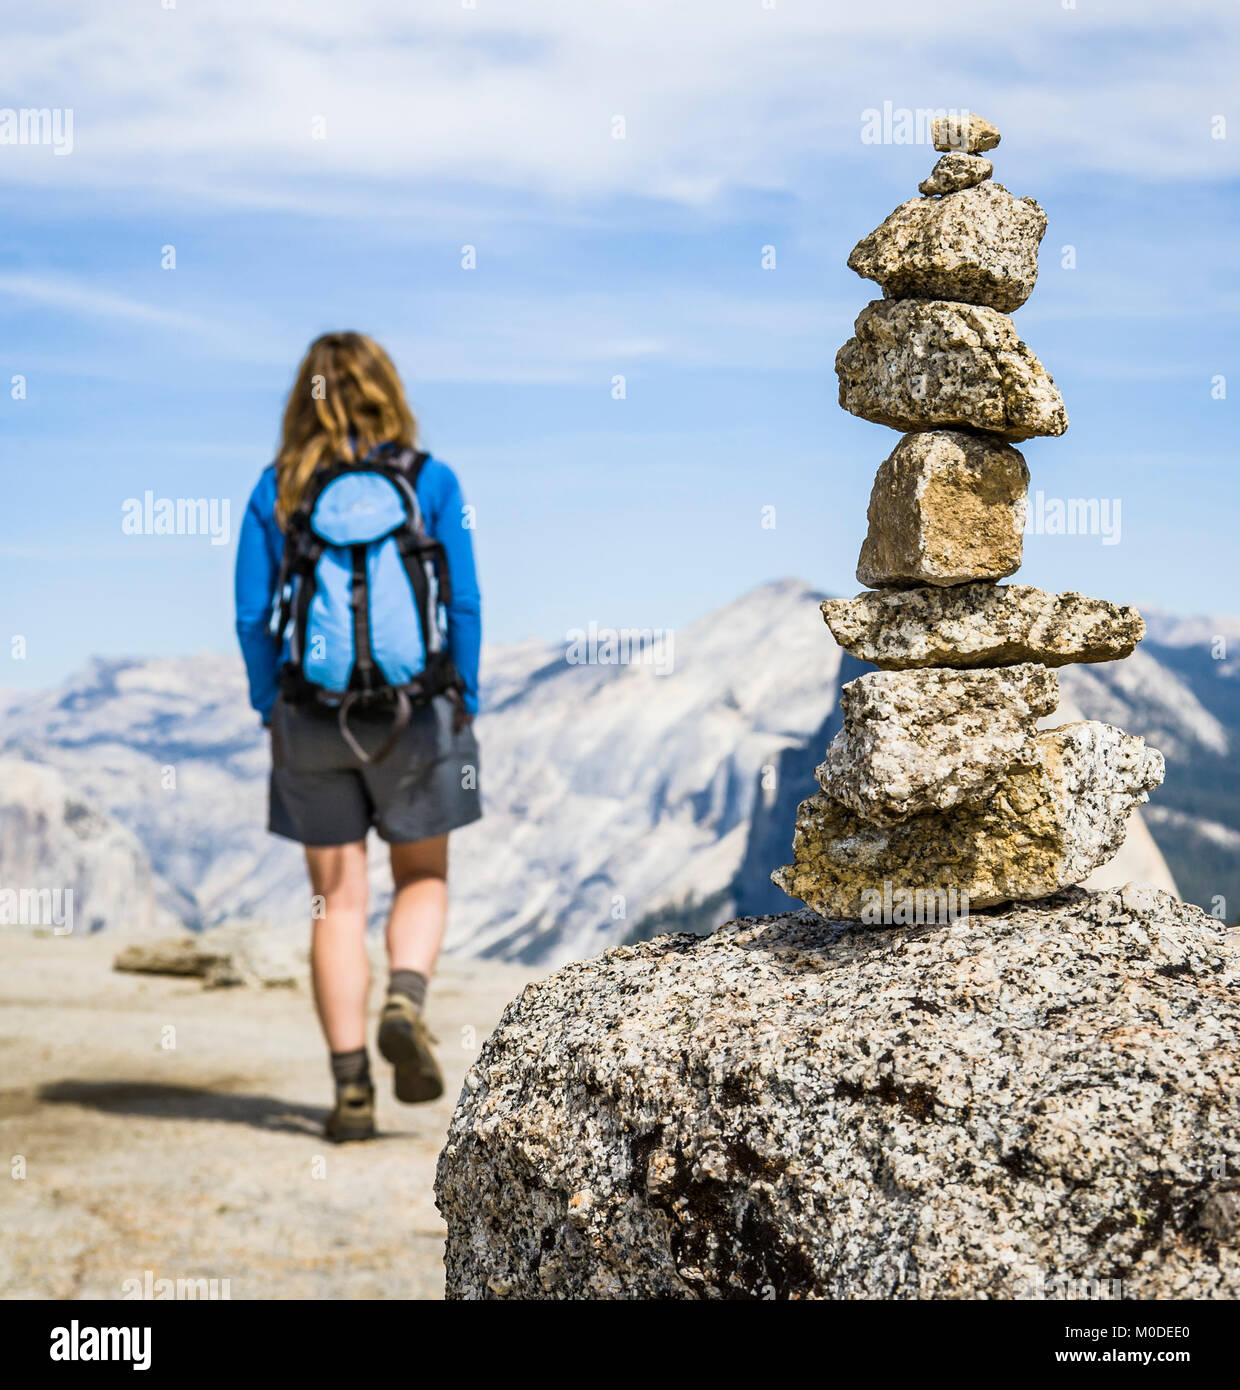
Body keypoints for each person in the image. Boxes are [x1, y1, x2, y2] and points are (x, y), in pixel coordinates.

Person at [234, 331, 481, 1142]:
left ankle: (349, 1098)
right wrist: (463, 694)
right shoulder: (430, 480)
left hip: (310, 715)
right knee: (422, 876)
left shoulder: (280, 488)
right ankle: (405, 997)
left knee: (335, 901)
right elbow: (466, 601)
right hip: (417, 714)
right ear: (388, 391)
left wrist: (273, 701)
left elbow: (250, 614)